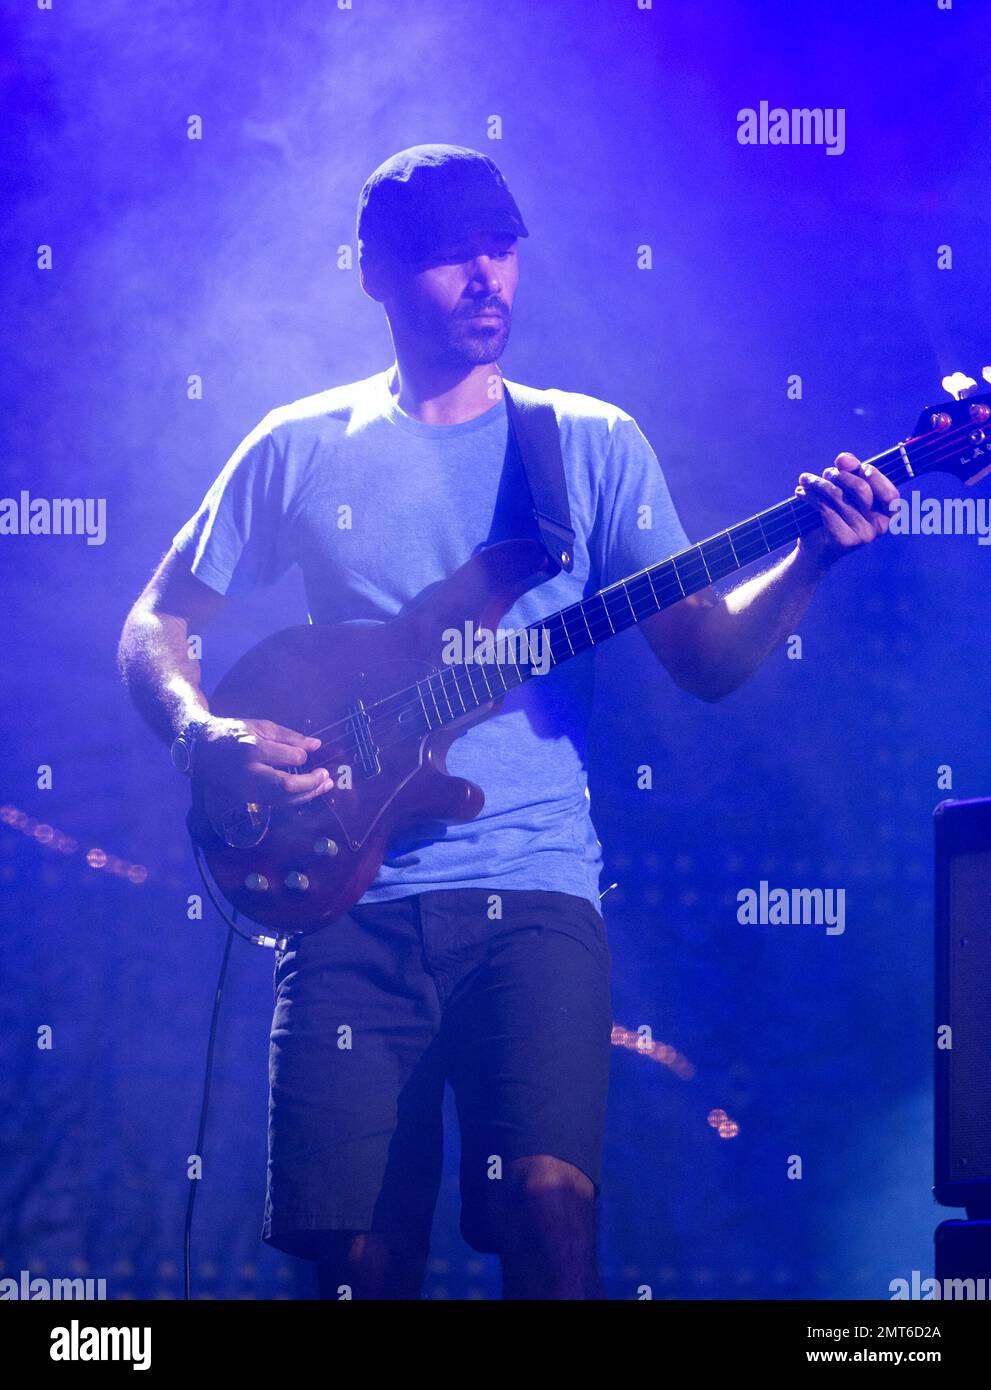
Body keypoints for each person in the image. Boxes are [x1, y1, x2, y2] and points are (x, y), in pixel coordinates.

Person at [118, 143, 898, 1300]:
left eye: (502, 248)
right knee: (356, 1264)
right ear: (376, 274)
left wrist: (806, 565)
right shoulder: (298, 442)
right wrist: (204, 736)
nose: (487, 276)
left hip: (532, 897)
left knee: (549, 1215)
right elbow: (155, 623)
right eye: (449, 255)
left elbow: (701, 659)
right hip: (342, 903)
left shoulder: (583, 443)